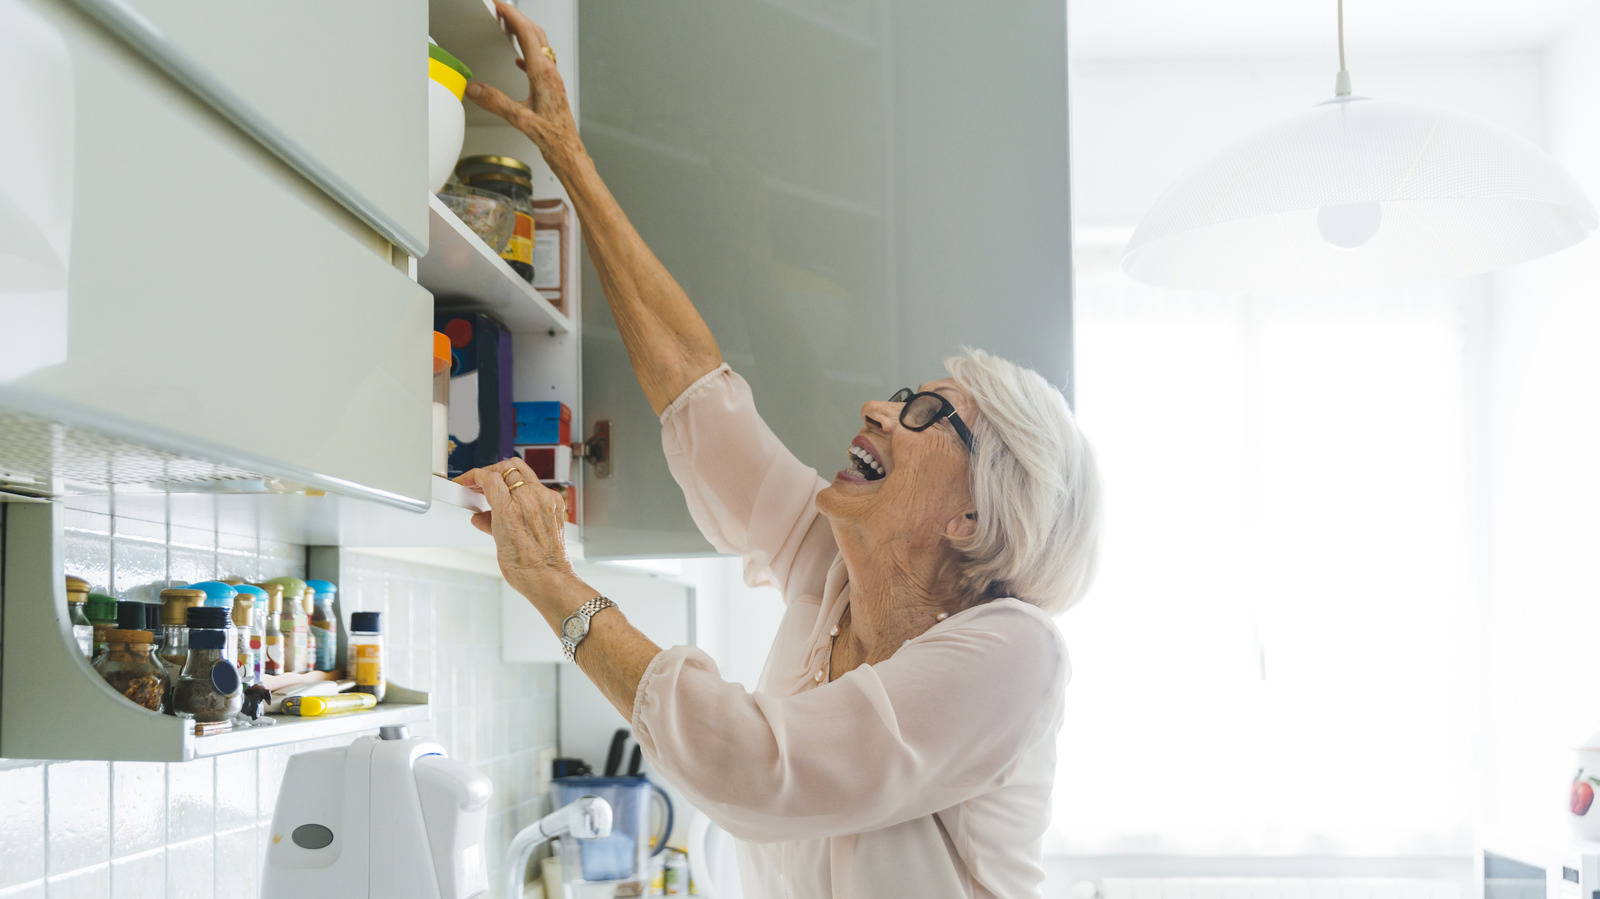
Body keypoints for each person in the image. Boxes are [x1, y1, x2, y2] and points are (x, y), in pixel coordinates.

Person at [458, 5, 1103, 896]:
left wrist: (553, 582)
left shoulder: (1014, 655)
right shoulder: (833, 568)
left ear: (975, 511)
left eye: (924, 411)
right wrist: (570, 161)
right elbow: (695, 389)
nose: (880, 404)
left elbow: (757, 768)